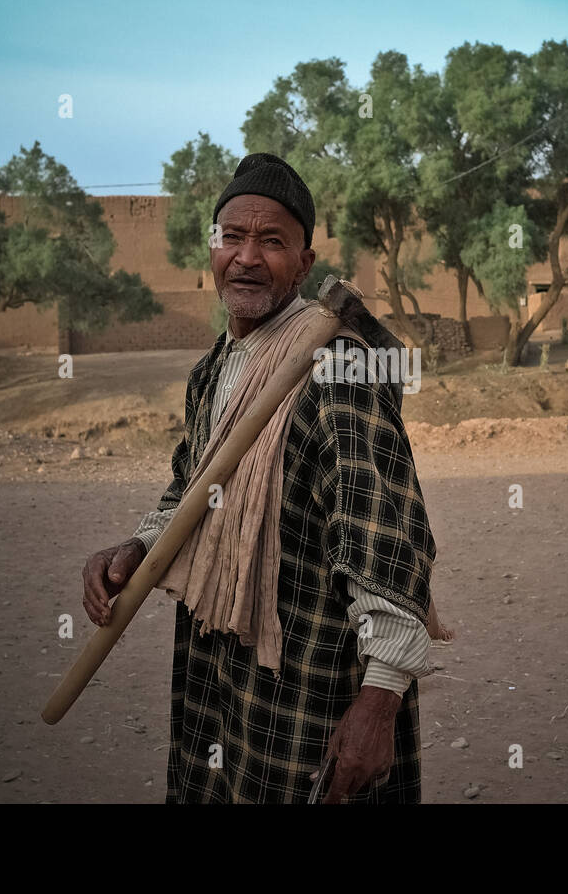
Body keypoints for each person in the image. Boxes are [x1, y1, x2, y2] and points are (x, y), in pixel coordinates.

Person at [80, 153, 441, 803]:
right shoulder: (212, 368)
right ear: (212, 251)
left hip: (309, 686)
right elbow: (193, 488)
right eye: (232, 238)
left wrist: (380, 700)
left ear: (304, 265)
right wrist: (139, 546)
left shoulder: (335, 373)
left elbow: (384, 537)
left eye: (272, 240)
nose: (247, 257)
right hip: (219, 668)